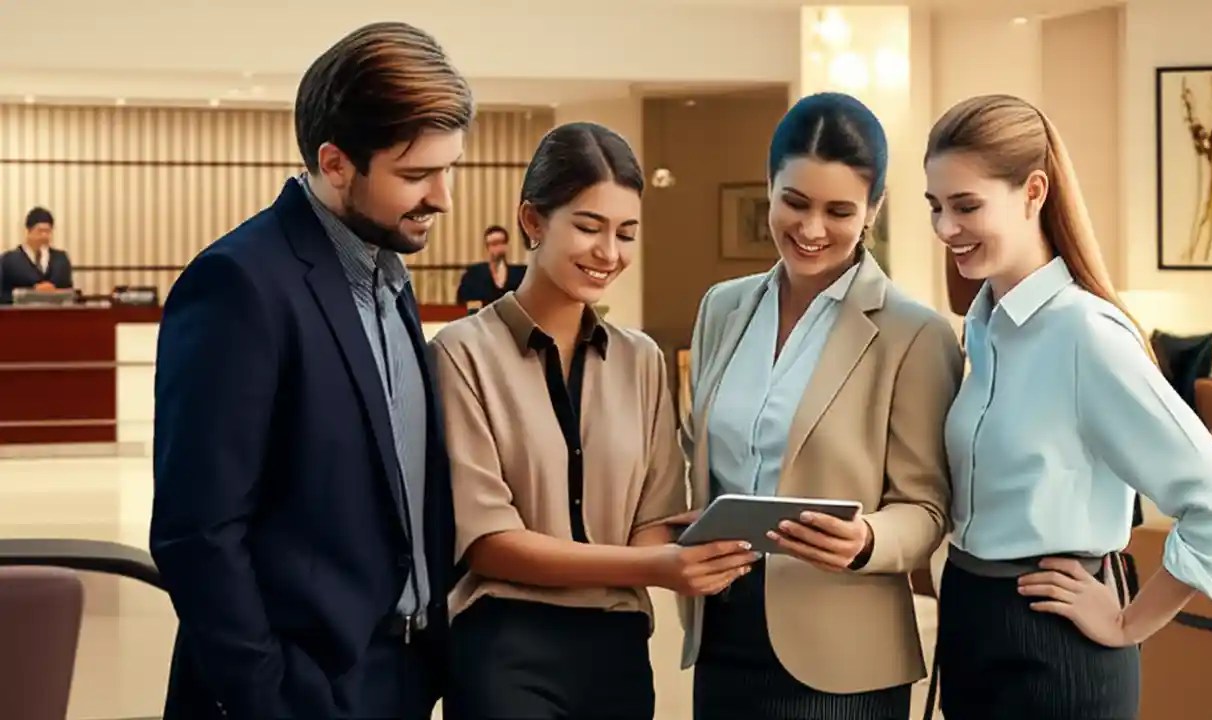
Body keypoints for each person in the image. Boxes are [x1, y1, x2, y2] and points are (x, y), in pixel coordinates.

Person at [149, 22, 473, 719]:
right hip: (302, 692)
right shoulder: (238, 283)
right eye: (416, 175)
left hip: (401, 677)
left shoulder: (390, 274)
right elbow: (197, 532)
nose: (443, 197)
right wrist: (271, 697)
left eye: (450, 169)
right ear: (335, 163)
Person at [924, 94, 1212, 719]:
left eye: (966, 206)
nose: (945, 229)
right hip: (972, 624)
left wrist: (1131, 622)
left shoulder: (1085, 333)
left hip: (1055, 648)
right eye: (935, 207)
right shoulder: (984, 328)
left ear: (1033, 192)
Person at [432, 121, 758, 720]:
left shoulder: (642, 360)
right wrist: (658, 566)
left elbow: (654, 519)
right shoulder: (461, 353)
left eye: (626, 233)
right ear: (533, 221)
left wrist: (690, 545)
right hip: (504, 649)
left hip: (618, 651)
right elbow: (488, 544)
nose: (609, 253)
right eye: (588, 227)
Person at [680, 92, 963, 720]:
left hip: (844, 654)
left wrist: (867, 539)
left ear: (874, 210)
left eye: (839, 211)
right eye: (795, 202)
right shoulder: (722, 308)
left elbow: (927, 507)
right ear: (769, 187)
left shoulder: (914, 334)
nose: (811, 230)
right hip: (723, 631)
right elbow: (696, 453)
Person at [0, 207, 73, 304]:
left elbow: (69, 292)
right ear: (28, 231)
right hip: (21, 312)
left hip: (54, 311)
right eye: (40, 231)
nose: (44, 236)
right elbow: (3, 295)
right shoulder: (8, 260)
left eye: (48, 231)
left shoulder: (61, 259)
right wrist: (32, 293)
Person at [455, 224, 526, 307]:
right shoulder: (473, 275)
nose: (497, 247)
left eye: (501, 242)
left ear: (506, 245)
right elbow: (462, 302)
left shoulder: (520, 274)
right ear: (487, 247)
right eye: (493, 244)